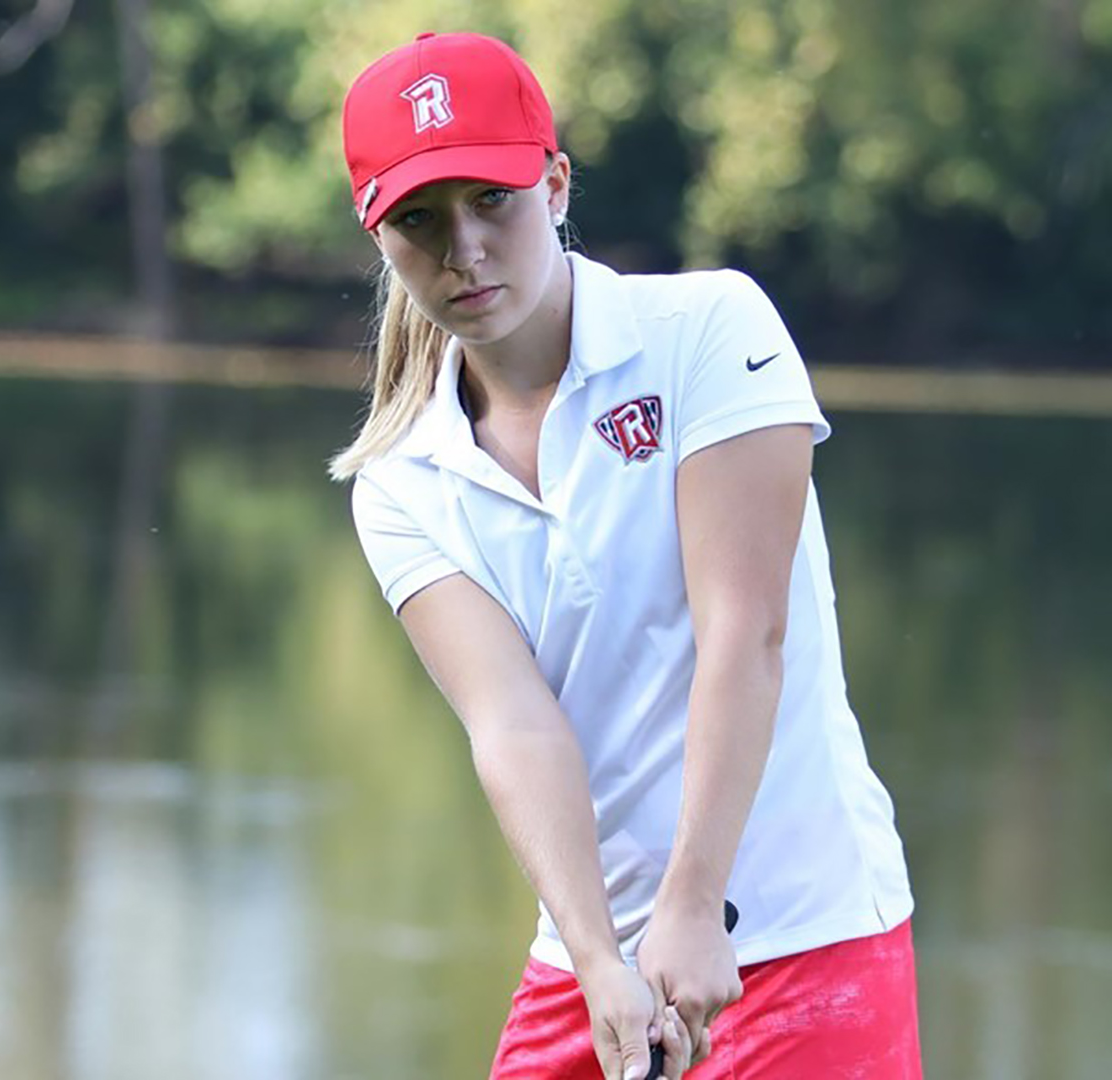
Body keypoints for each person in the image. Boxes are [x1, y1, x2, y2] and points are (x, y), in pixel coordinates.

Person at [331, 31, 922, 1080]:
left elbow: (746, 634)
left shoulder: (707, 330)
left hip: (803, 934)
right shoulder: (398, 481)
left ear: (554, 184)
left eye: (492, 202)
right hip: (591, 961)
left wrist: (695, 904)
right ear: (376, 235)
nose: (463, 249)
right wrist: (599, 953)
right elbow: (514, 725)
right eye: (420, 221)